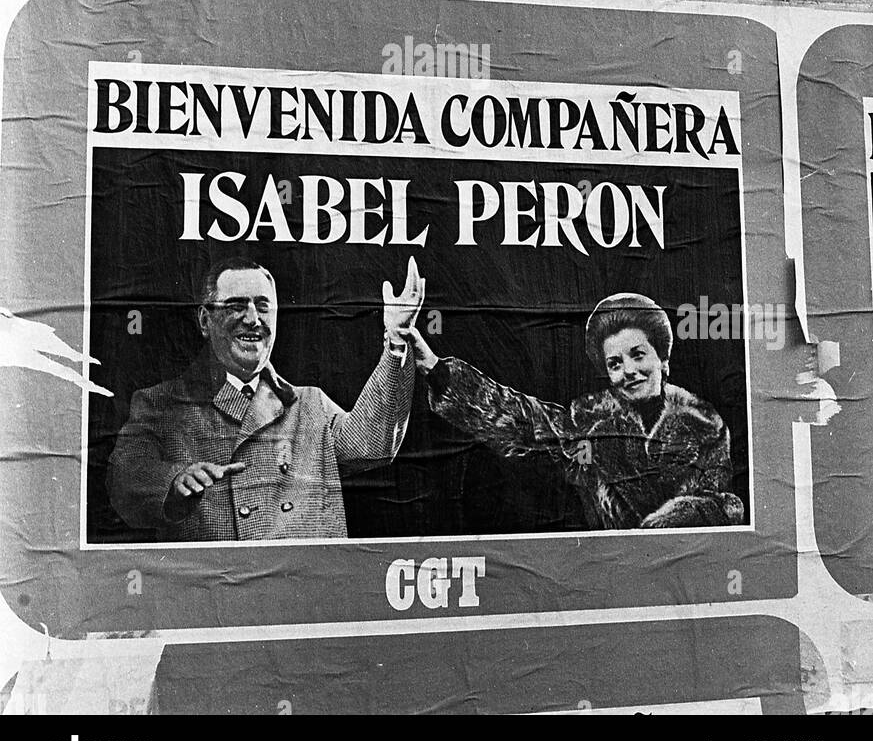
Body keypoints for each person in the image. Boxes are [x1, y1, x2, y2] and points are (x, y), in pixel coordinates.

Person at [107, 255, 424, 541]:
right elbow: (125, 478)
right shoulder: (161, 404)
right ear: (205, 320)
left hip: (306, 593)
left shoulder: (309, 405)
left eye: (263, 306)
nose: (252, 319)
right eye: (235, 306)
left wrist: (396, 340)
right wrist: (175, 482)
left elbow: (373, 444)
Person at [394, 292, 743, 531]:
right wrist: (434, 368)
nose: (629, 371)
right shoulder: (587, 423)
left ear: (662, 359)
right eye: (615, 363)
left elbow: (719, 510)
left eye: (639, 354)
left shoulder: (706, 425)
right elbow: (520, 420)